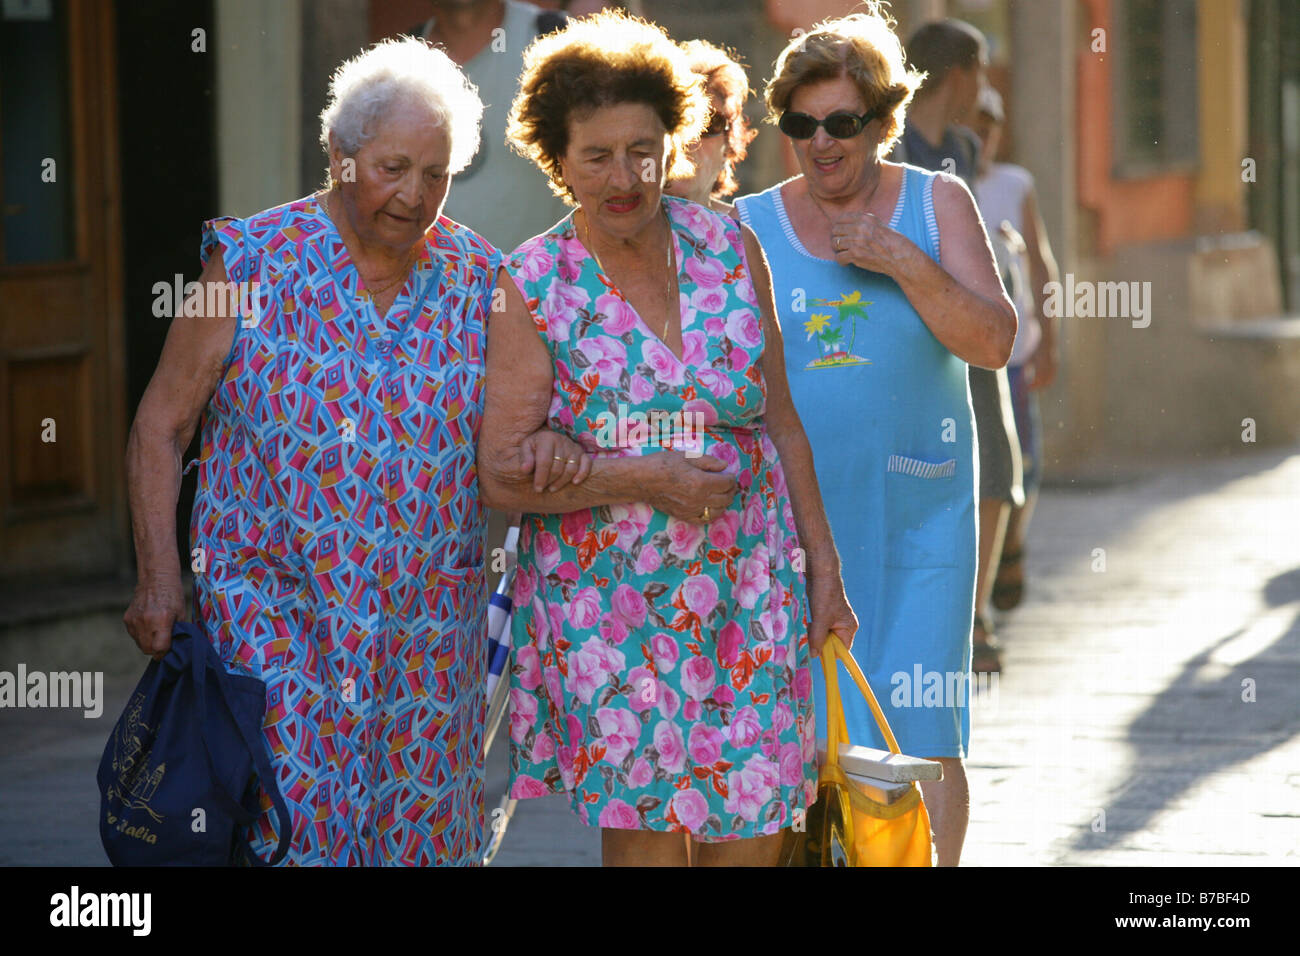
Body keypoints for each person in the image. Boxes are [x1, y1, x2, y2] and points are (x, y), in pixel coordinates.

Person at [122, 38, 583, 866]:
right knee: (297, 827)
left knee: (421, 839)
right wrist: (160, 578)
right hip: (275, 613)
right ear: (340, 157)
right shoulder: (252, 261)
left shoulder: (482, 277)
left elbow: (522, 430)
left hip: (428, 632)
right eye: (393, 168)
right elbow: (163, 423)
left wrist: (558, 450)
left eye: (436, 176)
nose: (415, 196)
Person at [476, 9, 858, 867]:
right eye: (597, 155)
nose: (625, 176)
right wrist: (639, 477)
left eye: (643, 150)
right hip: (612, 616)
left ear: (674, 142)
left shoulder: (729, 243)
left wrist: (824, 573)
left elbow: (782, 421)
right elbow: (501, 477)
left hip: (752, 590)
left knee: (758, 836)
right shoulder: (531, 282)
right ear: (557, 159)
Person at [734, 6, 1016, 866]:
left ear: (883, 122)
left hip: (917, 519)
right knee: (792, 749)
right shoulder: (749, 225)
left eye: (843, 124)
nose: (822, 144)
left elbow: (993, 340)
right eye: (802, 124)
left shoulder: (938, 203)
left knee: (921, 737)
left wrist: (897, 257)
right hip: (789, 532)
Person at [893, 18, 1022, 673]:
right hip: (911, 331)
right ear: (962, 71)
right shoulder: (894, 144)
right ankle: (930, 607)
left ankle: (975, 614)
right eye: (982, 69)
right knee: (920, 472)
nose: (986, 82)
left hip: (970, 324)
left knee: (997, 463)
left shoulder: (967, 148)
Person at [970, 85, 1060, 615]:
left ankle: (1012, 545)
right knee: (990, 470)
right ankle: (994, 566)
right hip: (972, 353)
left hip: (1016, 353)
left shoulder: (1015, 184)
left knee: (1026, 464)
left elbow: (1041, 261)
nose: (982, 135)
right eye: (975, 123)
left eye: (991, 126)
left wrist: (1049, 338)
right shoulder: (942, 181)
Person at [663, 39, 758, 217]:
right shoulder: (607, 233)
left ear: (728, 145)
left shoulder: (748, 235)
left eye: (709, 124)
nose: (690, 139)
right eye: (675, 123)